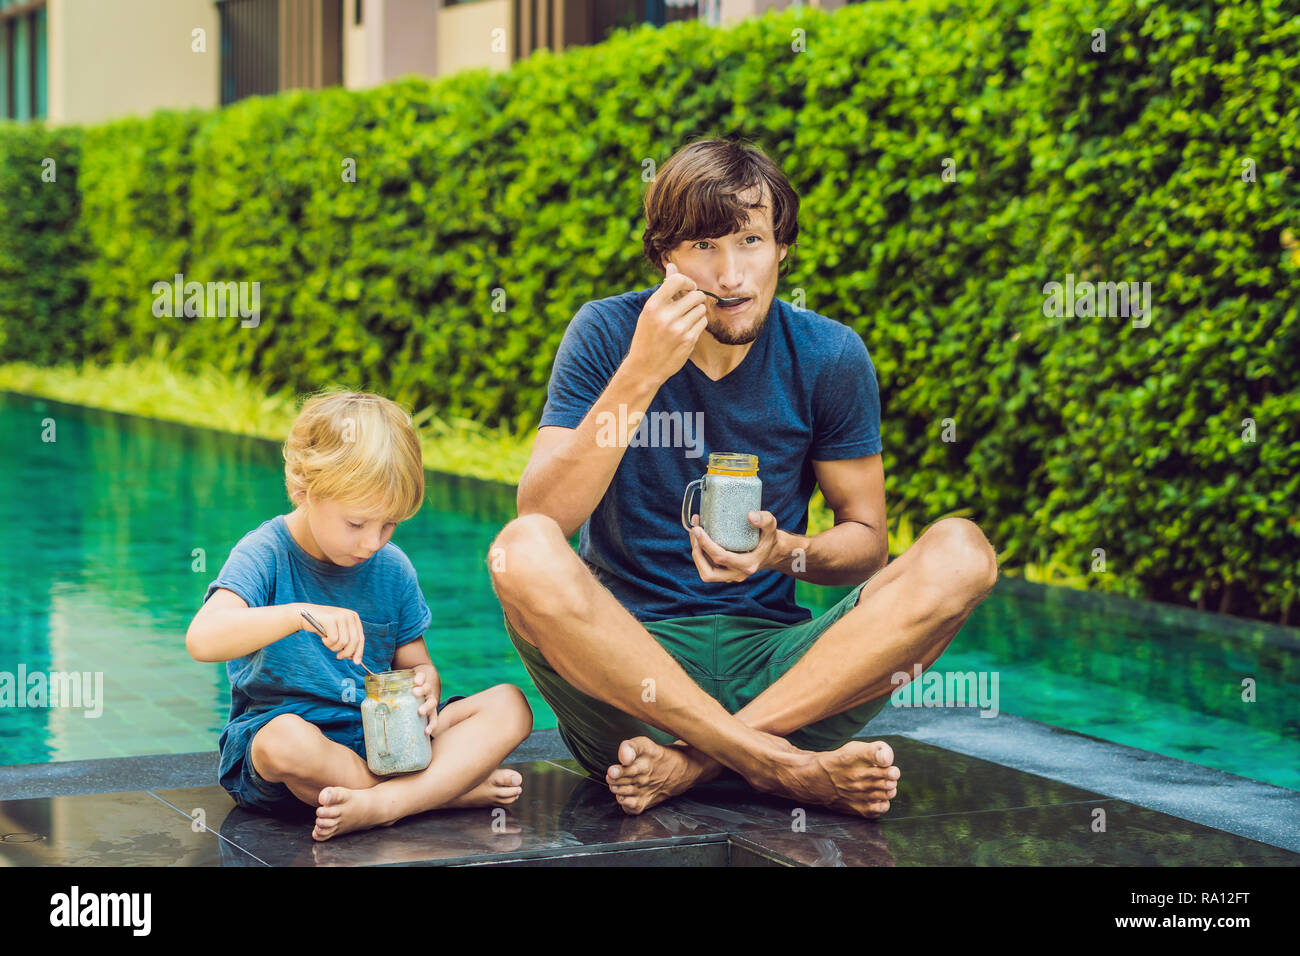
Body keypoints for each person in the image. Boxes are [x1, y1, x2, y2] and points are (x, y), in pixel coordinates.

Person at [488, 138, 998, 817]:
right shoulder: (609, 333)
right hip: (629, 677)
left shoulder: (829, 354)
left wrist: (784, 551)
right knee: (518, 550)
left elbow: (867, 544)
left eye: (750, 240)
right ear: (666, 256)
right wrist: (642, 372)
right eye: (703, 246)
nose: (730, 274)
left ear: (781, 247)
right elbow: (543, 518)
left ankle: (702, 760)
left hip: (785, 676)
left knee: (963, 552)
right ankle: (779, 767)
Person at [188, 390, 533, 840]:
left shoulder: (392, 567)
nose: (373, 542)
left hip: (384, 743)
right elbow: (203, 638)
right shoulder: (266, 553)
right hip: (296, 760)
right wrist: (298, 614)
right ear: (304, 490)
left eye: (389, 524)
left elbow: (416, 665)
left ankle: (386, 802)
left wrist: (426, 682)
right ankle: (440, 794)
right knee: (285, 740)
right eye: (357, 524)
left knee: (511, 706)